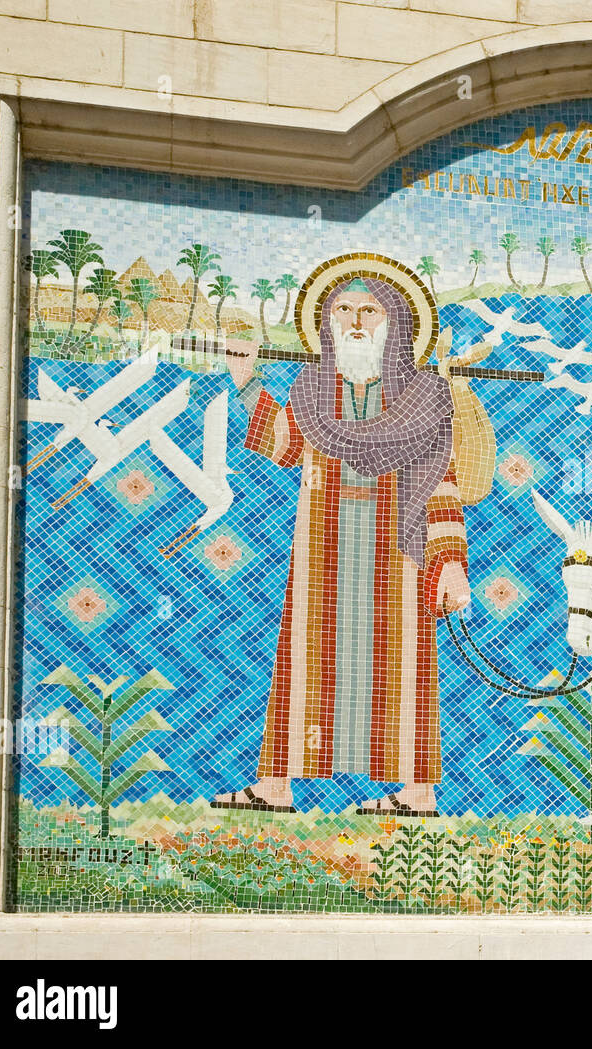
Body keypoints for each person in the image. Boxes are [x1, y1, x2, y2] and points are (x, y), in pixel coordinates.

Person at [211, 265, 471, 818]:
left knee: (403, 666)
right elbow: (281, 445)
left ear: (394, 323)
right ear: (326, 324)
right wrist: (247, 382)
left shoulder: (421, 399)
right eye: (343, 311)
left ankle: (416, 794)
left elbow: (441, 484)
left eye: (368, 310)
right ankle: (276, 785)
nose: (355, 321)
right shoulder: (311, 393)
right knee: (306, 660)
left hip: (398, 555)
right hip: (324, 549)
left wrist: (450, 563)